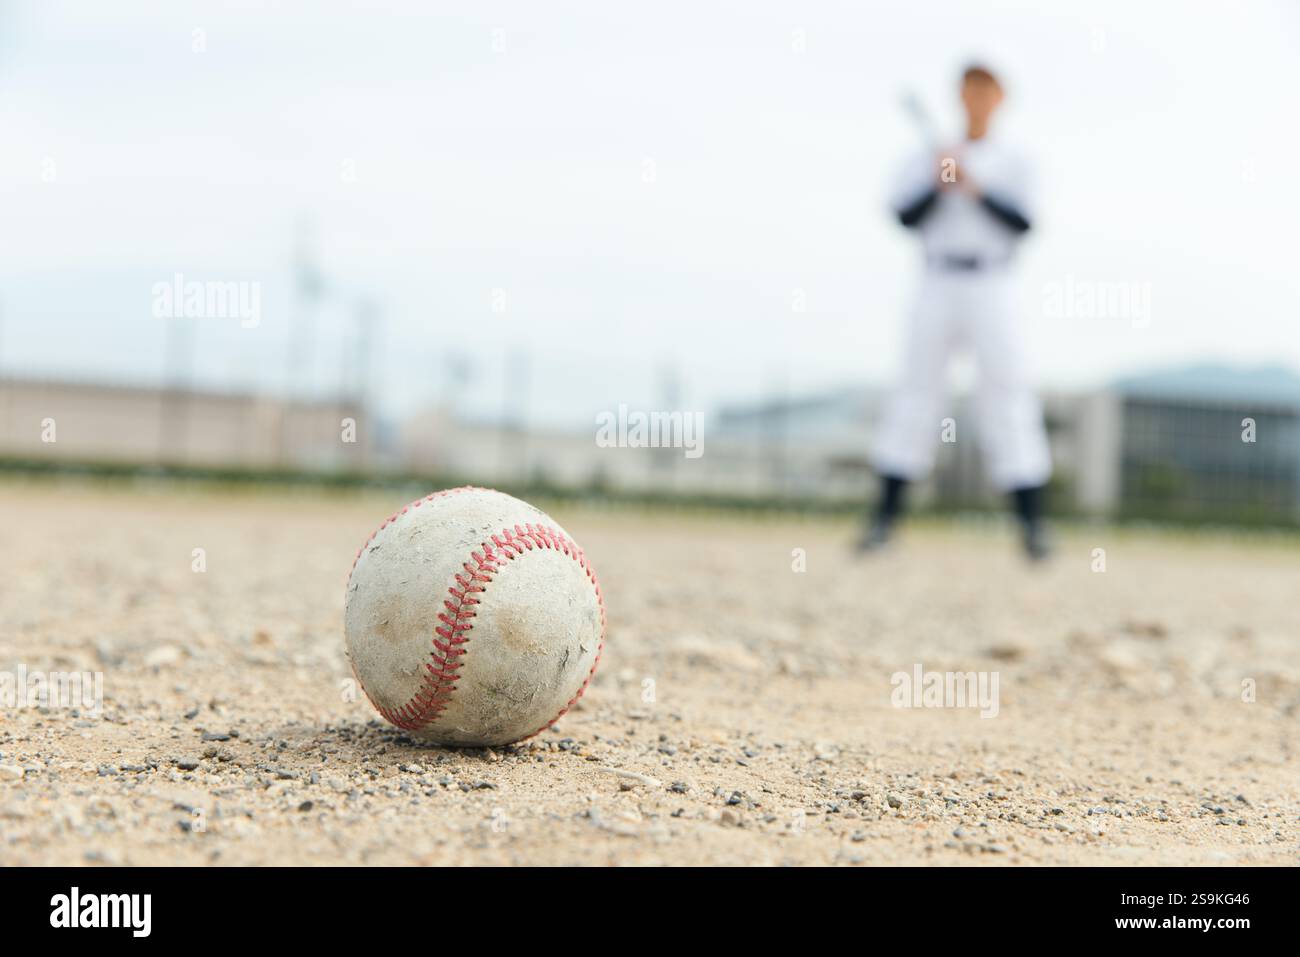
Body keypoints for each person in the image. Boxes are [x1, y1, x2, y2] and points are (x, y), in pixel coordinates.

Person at [861, 63, 1052, 560]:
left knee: (1007, 394)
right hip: (936, 279)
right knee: (916, 392)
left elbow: (1024, 222)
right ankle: (884, 523)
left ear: (1000, 97)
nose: (977, 98)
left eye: (986, 90)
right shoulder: (928, 156)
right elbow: (906, 217)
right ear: (958, 95)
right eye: (969, 89)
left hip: (993, 282)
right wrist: (940, 181)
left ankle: (1032, 529)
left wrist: (975, 186)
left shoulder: (1016, 160)